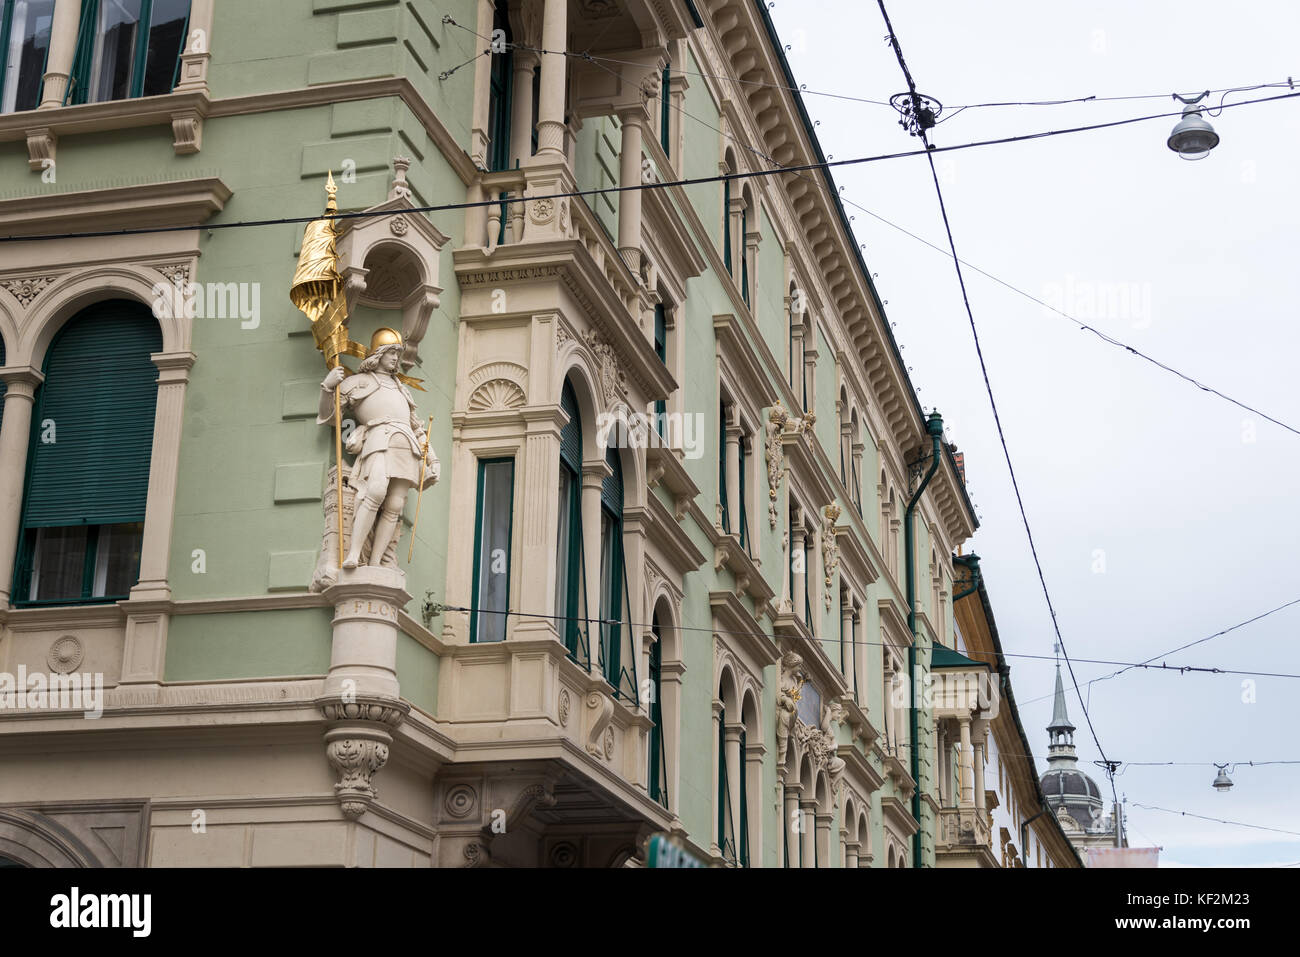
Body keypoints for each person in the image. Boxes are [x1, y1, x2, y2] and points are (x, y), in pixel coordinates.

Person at [319, 327, 438, 569]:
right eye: (390, 352)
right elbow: (331, 416)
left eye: (397, 353)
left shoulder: (402, 389)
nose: (395, 357)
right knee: (375, 491)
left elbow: (417, 428)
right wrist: (327, 387)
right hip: (379, 439)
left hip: (406, 444)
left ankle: (375, 563)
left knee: (395, 505)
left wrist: (433, 460)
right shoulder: (357, 382)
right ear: (378, 354)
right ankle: (353, 554)